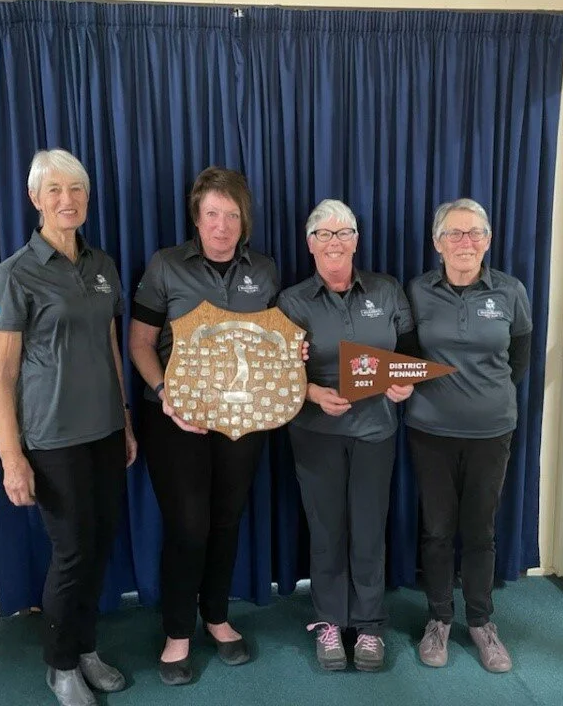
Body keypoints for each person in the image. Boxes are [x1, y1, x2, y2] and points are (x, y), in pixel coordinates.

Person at [0, 149, 137, 706]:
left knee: (98, 548)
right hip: (52, 440)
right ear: (35, 199)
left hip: (103, 433)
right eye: (55, 190)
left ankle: (86, 645)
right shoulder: (15, 273)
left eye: (76, 189)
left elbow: (109, 347)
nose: (67, 200)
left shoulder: (102, 266)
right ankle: (60, 664)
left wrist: (123, 419)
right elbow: (0, 374)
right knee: (71, 552)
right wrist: (11, 457)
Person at [128, 167, 280, 685]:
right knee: (188, 524)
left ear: (244, 221)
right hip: (177, 418)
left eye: (231, 215)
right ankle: (177, 632)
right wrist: (166, 393)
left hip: (243, 417)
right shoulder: (166, 266)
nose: (221, 226)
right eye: (212, 214)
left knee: (227, 518)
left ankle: (216, 617)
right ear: (197, 218)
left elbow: (274, 343)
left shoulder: (265, 269)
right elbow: (140, 344)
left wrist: (293, 353)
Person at [277, 199, 416, 672]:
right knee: (326, 528)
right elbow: (277, 374)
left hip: (376, 428)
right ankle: (330, 620)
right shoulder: (292, 301)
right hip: (316, 431)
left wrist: (405, 381)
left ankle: (371, 624)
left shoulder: (388, 289)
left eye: (343, 233)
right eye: (323, 234)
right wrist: (313, 392)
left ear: (357, 240)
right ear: (309, 244)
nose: (334, 243)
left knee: (368, 527)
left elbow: (409, 351)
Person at [405, 198, 532, 674]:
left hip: (491, 432)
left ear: (489, 240)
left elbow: (519, 358)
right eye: (454, 234)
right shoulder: (416, 292)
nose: (465, 242)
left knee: (480, 532)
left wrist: (484, 396)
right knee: (437, 531)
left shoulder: (510, 292)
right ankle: (438, 618)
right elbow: (406, 356)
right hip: (429, 430)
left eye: (474, 232)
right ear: (437, 243)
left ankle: (480, 622)